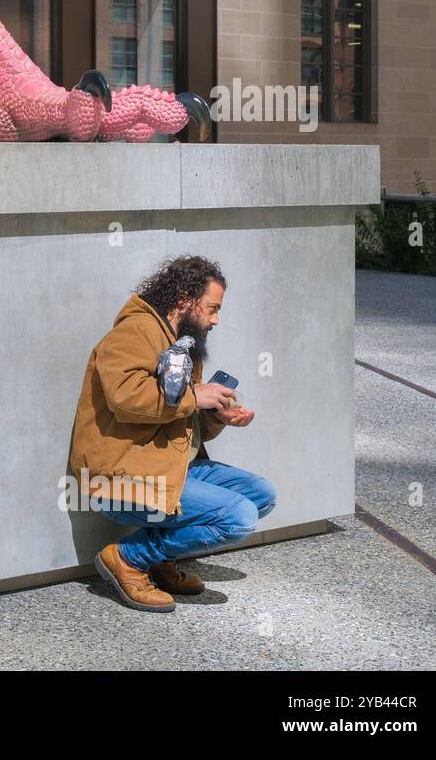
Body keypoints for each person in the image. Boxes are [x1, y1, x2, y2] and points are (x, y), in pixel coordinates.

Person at [66, 255, 276, 613]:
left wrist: (217, 416)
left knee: (262, 495)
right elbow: (126, 399)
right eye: (212, 308)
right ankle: (130, 559)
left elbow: (180, 424)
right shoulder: (133, 333)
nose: (215, 320)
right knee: (239, 517)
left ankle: (161, 554)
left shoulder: (182, 342)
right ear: (184, 299)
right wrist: (196, 395)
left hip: (168, 464)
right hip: (118, 479)